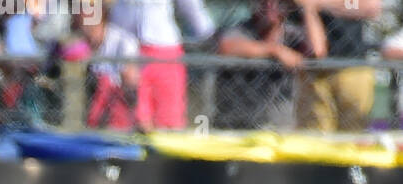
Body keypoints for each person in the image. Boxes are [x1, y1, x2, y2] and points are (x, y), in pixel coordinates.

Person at [216, 0, 325, 131]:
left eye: (278, 2)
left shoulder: (291, 33)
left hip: (278, 127)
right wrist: (274, 50)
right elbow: (225, 47)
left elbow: (318, 51)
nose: (270, 7)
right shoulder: (241, 30)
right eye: (264, 2)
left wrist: (308, 9)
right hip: (236, 123)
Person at [110, 0, 216, 129]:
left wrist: (211, 37)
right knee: (133, 120)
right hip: (128, 50)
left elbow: (191, 7)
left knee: (169, 120)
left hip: (165, 50)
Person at [294, 0, 379, 132]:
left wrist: (321, 4)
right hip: (312, 69)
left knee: (352, 134)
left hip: (352, 67)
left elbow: (371, 8)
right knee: (313, 134)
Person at [65, 5, 140, 129]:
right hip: (89, 105)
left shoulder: (123, 41)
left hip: (115, 107)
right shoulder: (80, 44)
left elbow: (131, 81)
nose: (85, 25)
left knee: (105, 82)